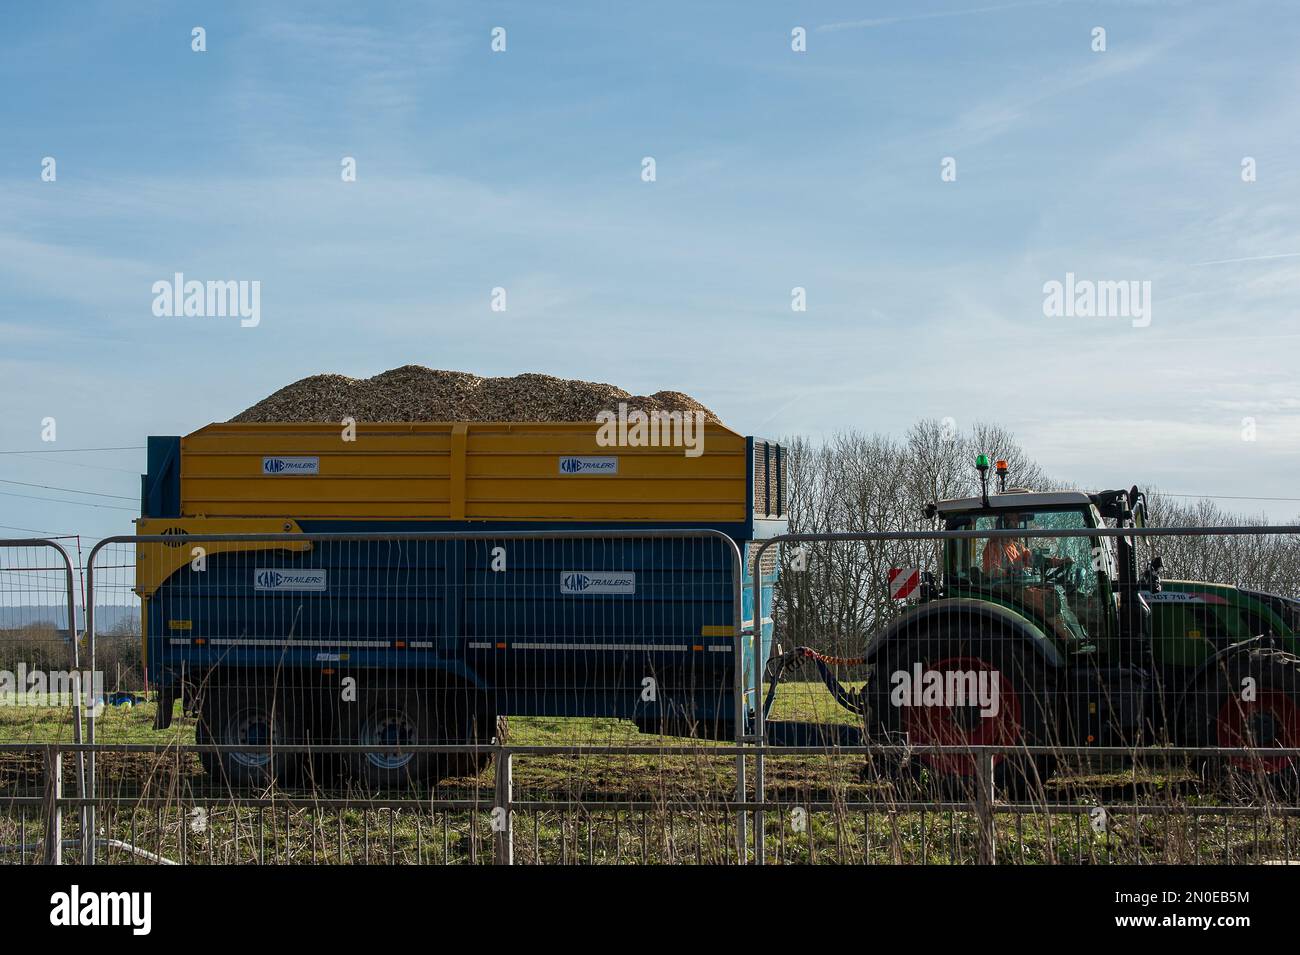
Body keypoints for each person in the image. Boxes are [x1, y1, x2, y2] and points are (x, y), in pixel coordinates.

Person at [981, 513, 1072, 576]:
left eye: (1017, 521)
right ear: (1004, 524)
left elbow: (1034, 560)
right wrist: (1009, 573)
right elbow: (992, 572)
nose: (1017, 525)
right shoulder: (993, 547)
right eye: (1015, 521)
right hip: (1004, 593)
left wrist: (1059, 562)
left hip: (1019, 588)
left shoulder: (1017, 547)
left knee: (1050, 594)